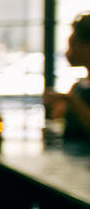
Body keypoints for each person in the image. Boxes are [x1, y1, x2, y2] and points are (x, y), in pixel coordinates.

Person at [43, 13, 90, 147]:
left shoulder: (76, 93)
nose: (68, 53)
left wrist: (70, 101)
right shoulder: (79, 87)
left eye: (73, 46)